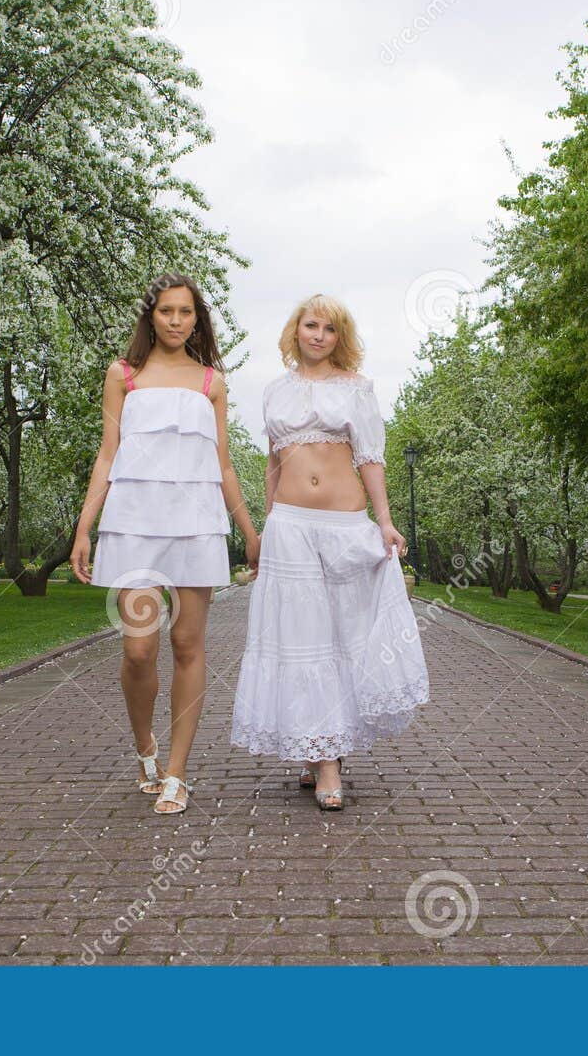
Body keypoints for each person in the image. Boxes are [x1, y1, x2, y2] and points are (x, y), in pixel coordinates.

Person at [230, 294, 428, 811]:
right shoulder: (275, 392)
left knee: (344, 637)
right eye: (310, 324)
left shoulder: (357, 390)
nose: (318, 334)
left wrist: (384, 521)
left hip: (343, 525)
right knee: (302, 638)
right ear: (295, 330)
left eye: (329, 329)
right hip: (290, 528)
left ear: (341, 338)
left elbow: (371, 459)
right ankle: (324, 762)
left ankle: (322, 745)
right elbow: (274, 464)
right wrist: (266, 525)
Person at [72, 273, 260, 815]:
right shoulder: (123, 375)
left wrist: (250, 533)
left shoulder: (211, 383)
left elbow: (223, 464)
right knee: (138, 649)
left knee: (186, 645)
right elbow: (108, 454)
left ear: (197, 318)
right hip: (133, 522)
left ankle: (177, 772)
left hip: (197, 524)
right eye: (167, 312)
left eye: (186, 312)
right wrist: (85, 527)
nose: (177, 321)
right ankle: (145, 748)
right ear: (150, 316)